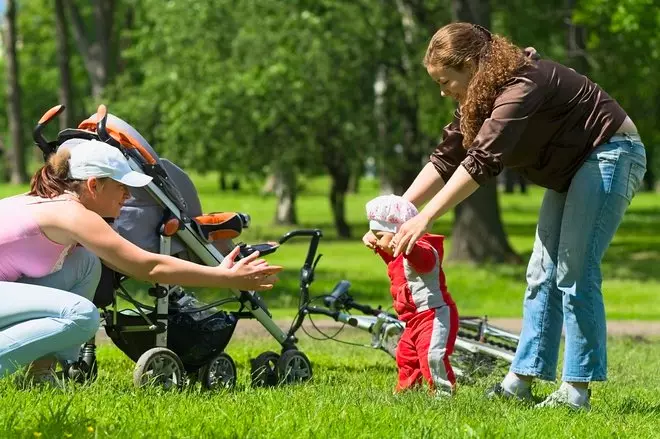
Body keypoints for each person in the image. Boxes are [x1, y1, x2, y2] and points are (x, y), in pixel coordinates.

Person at [365, 22, 646, 410]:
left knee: (574, 269)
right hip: (574, 168)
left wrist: (425, 218)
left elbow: (482, 161)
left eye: (446, 81)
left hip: (611, 152)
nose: (443, 90)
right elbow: (449, 155)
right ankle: (522, 379)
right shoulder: (480, 99)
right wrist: (395, 215)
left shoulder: (521, 85)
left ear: (471, 66)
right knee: (540, 273)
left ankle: (576, 390)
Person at [0, 139, 282, 384]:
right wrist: (225, 277)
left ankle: (40, 373)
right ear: (94, 185)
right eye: (122, 186)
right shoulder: (72, 214)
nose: (129, 195)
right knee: (82, 316)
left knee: (86, 264)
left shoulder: (49, 201)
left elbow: (130, 264)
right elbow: (149, 267)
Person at [364, 195, 458, 396]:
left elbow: (425, 263)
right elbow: (394, 259)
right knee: (406, 356)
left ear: (399, 234)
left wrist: (409, 245)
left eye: (380, 236)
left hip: (432, 316)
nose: (378, 242)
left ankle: (443, 395)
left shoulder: (422, 248)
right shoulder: (399, 253)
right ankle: (407, 392)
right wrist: (375, 240)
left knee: (432, 356)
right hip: (412, 321)